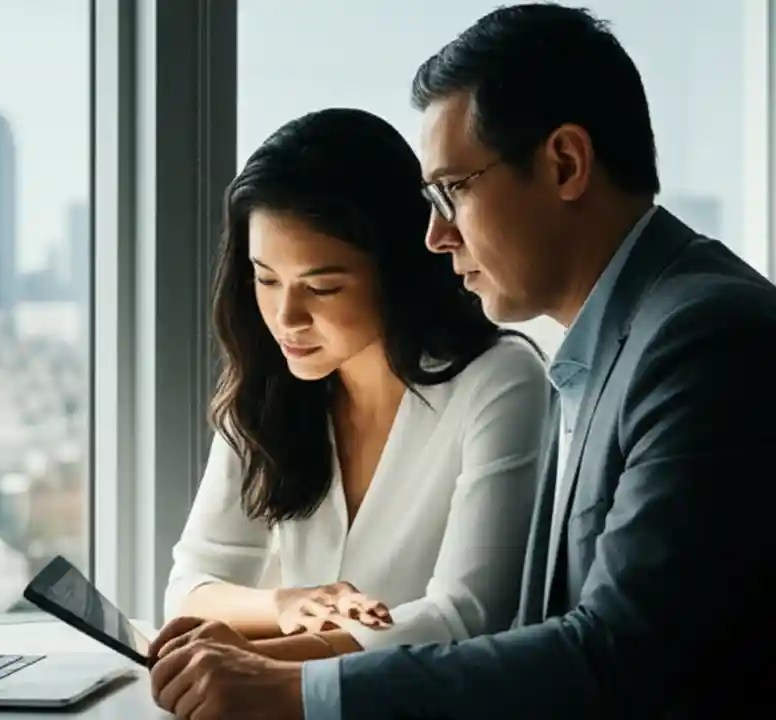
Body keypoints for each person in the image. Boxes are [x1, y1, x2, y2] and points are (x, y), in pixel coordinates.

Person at [148, 4, 776, 719]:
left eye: (453, 190)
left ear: (565, 164)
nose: (436, 236)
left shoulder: (703, 339)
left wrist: (294, 687)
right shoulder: (613, 349)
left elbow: (618, 653)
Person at [160, 107, 550, 664]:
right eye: (265, 279)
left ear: (397, 272)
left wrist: (267, 668)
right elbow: (191, 588)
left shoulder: (499, 379)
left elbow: (467, 615)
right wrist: (286, 604)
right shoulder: (271, 387)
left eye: (322, 288)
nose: (286, 318)